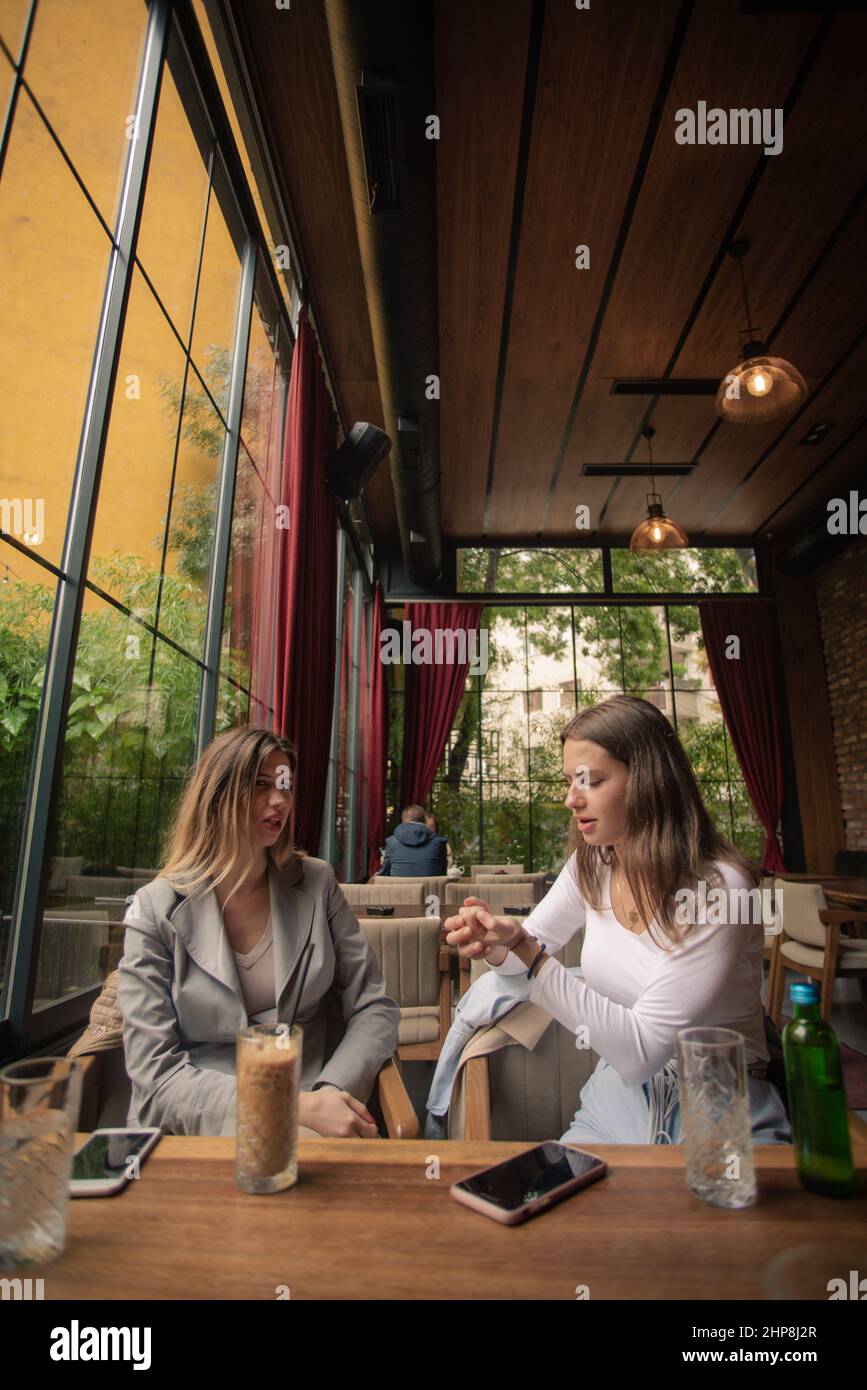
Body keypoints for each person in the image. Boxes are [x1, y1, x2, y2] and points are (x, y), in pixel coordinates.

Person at [444, 694, 791, 1146]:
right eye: (570, 780)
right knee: (551, 1207)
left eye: (591, 780)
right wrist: (496, 943)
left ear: (649, 782)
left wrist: (525, 952)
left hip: (722, 1102)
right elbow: (523, 957)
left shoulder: (721, 890)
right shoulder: (593, 863)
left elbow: (640, 1049)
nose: (571, 798)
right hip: (618, 1098)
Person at [116, 727, 399, 1138]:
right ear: (217, 795)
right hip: (193, 1123)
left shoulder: (317, 883)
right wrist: (292, 1108)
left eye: (285, 785)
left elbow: (375, 1007)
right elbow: (155, 1075)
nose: (280, 800)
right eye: (261, 785)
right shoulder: (154, 908)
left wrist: (331, 1092)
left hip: (314, 1108)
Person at [379, 804, 448, 876]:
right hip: (430, 887)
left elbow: (385, 874)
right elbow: (443, 875)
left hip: (400, 886)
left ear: (403, 820)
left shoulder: (391, 842)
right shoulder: (439, 843)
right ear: (424, 821)